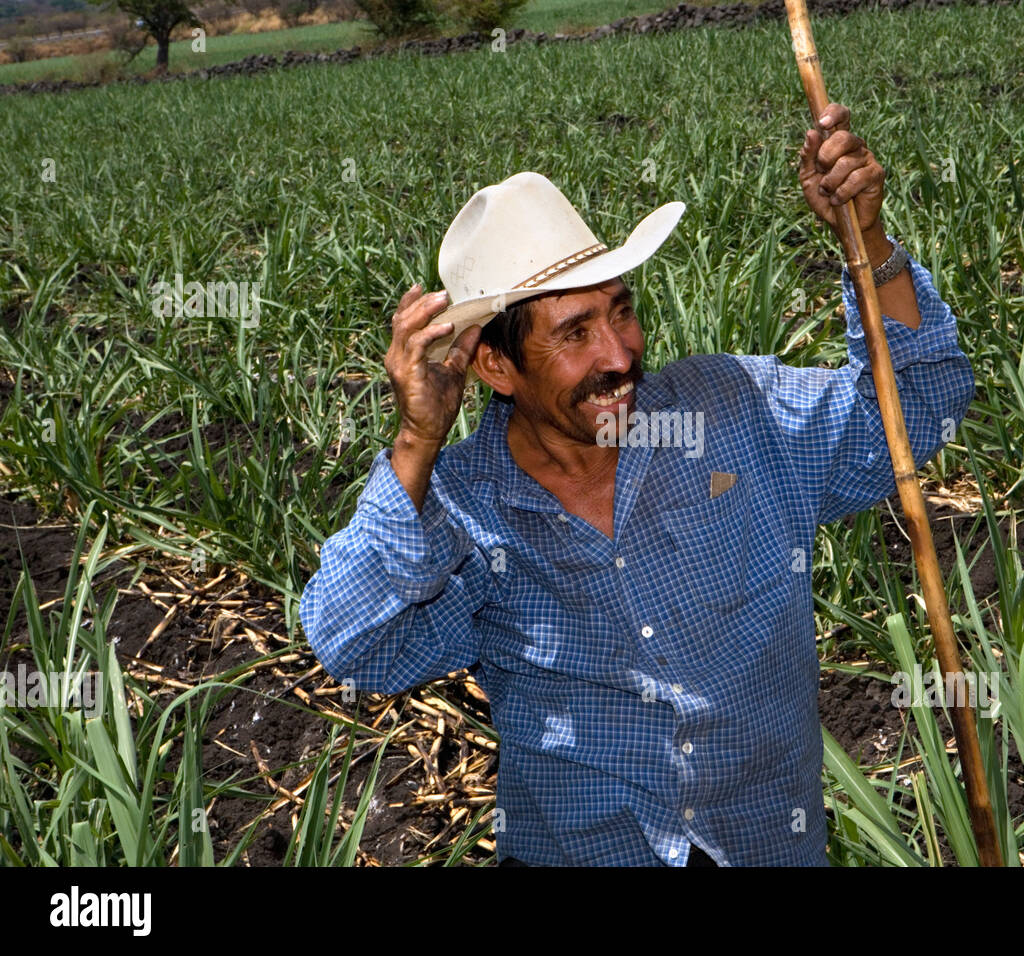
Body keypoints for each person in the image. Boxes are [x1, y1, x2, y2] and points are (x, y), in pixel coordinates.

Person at [300, 103, 975, 866]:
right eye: (574, 333)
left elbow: (917, 413)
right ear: (496, 365)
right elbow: (355, 645)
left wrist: (870, 246)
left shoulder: (732, 413)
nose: (620, 354)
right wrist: (418, 442)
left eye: (620, 312)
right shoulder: (463, 510)